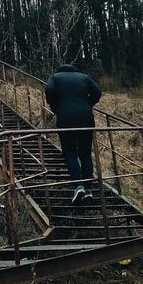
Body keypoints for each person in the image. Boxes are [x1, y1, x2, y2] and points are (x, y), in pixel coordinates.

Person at [45, 63, 102, 205]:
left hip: (66, 119)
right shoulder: (84, 77)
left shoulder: (55, 77)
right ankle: (88, 189)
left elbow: (49, 89)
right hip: (86, 119)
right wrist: (88, 104)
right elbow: (97, 92)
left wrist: (55, 106)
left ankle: (78, 186)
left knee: (70, 153)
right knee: (85, 154)